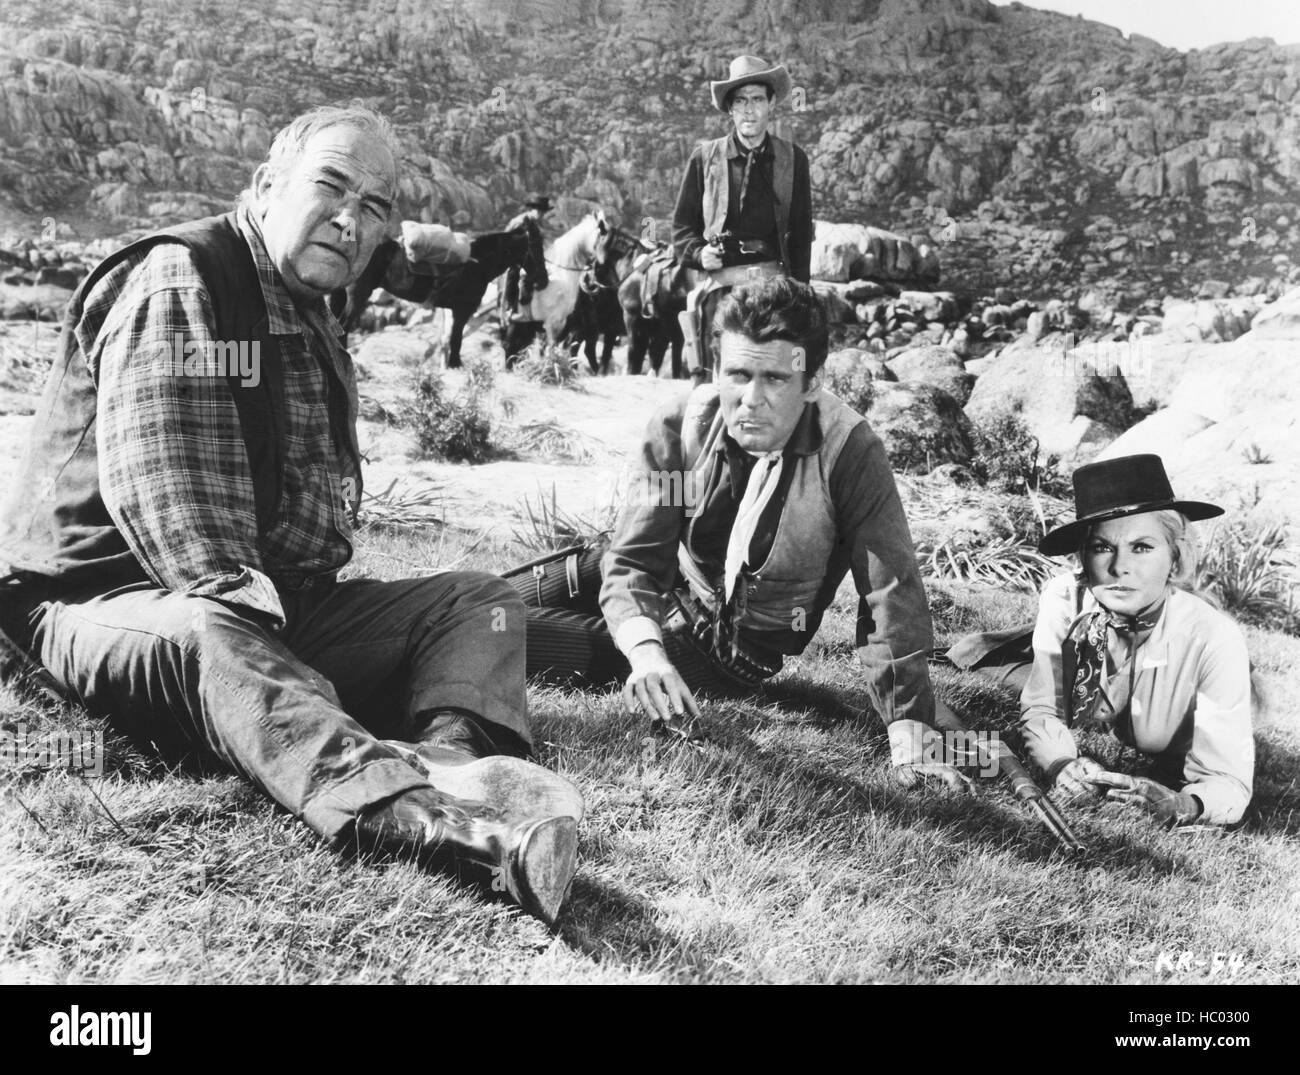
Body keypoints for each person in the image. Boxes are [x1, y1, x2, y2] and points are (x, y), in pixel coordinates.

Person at [0, 106, 582, 925]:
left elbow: (311, 518)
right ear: (269, 185)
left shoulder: (308, 302)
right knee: (213, 632)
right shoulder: (186, 278)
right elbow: (180, 515)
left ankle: (448, 755)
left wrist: (315, 625)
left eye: (375, 207)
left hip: (260, 602)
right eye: (332, 187)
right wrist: (289, 650)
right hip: (107, 602)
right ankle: (437, 824)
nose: (351, 219)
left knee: (478, 600)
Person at [514, 276, 967, 790]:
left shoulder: (849, 452)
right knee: (471, 604)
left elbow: (890, 592)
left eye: (775, 378)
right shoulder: (684, 423)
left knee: (489, 632)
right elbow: (637, 558)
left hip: (724, 644)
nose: (751, 399)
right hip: (662, 579)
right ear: (716, 370)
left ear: (811, 381)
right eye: (738, 374)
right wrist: (644, 651)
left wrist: (910, 733)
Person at [1018, 455, 1254, 826]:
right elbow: (1042, 706)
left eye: (1142, 547)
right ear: (1083, 556)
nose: (1118, 567)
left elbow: (1228, 780)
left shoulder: (1214, 637)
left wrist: (1183, 803)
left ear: (1175, 560)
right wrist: (1061, 763)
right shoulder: (1064, 598)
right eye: (1101, 547)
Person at [672, 54, 813, 382]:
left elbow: (802, 234)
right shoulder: (703, 159)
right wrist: (698, 253)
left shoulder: (794, 160)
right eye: (740, 101)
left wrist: (801, 295)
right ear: (730, 109)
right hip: (721, 295)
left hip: (774, 295)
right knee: (712, 387)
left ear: (771, 104)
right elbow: (681, 229)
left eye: (757, 99)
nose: (749, 109)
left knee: (778, 388)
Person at [504, 192, 553, 315]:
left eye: (543, 212)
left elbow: (538, 244)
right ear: (532, 210)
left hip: (530, 259)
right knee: (514, 274)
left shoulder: (535, 224)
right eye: (539, 212)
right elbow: (505, 238)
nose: (541, 215)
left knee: (542, 278)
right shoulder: (519, 221)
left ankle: (533, 307)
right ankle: (510, 306)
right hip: (515, 256)